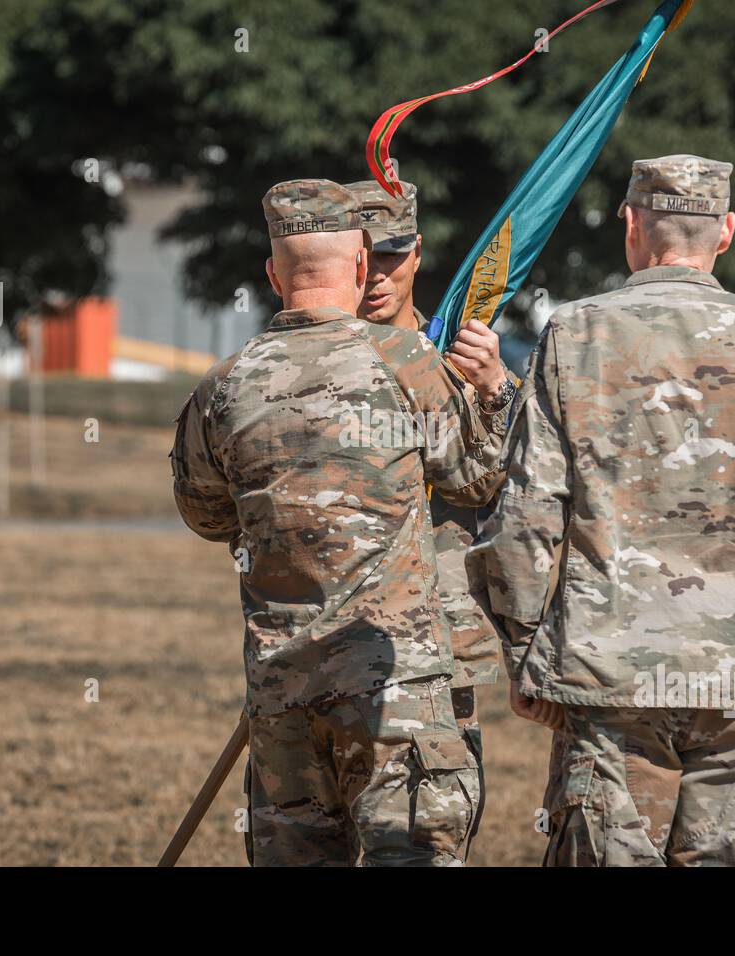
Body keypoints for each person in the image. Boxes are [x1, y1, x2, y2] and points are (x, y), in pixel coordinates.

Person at [468, 154, 735, 866]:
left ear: (630, 225)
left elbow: (526, 511)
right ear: (727, 232)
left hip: (608, 676)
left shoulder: (575, 334)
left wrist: (524, 648)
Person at [170, 179, 503, 865]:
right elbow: (478, 476)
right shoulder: (407, 363)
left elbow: (204, 514)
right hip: (394, 697)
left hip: (283, 695)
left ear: (272, 273)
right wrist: (495, 397)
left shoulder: (224, 384)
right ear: (358, 266)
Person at [345, 178, 519, 854]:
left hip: (436, 649)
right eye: (359, 257)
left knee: (427, 843)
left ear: (417, 252)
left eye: (390, 255)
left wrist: (497, 391)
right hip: (325, 645)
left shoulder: (459, 362)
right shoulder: (314, 367)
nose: (374, 275)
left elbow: (517, 486)